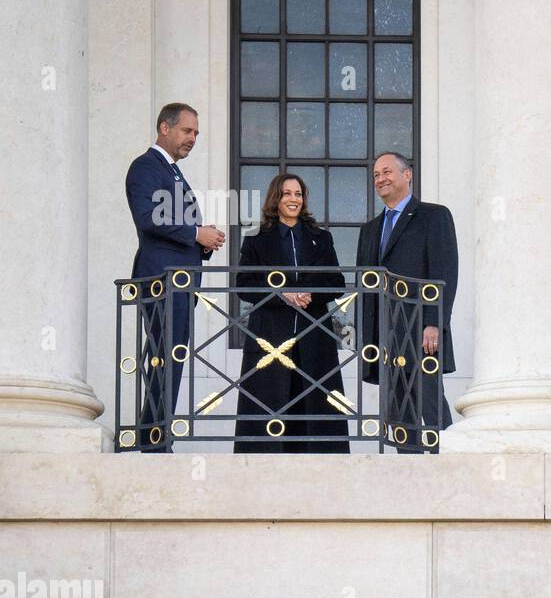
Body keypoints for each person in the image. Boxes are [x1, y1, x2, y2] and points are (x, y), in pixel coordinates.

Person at [124, 103, 226, 442]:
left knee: (171, 355)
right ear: (164, 128)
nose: (193, 138)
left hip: (179, 281)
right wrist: (197, 234)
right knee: (164, 356)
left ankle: (152, 432)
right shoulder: (146, 167)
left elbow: (173, 223)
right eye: (187, 130)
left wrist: (202, 243)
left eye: (196, 133)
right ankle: (153, 437)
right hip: (161, 280)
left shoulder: (172, 171)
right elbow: (149, 217)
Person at [233, 173, 349, 453]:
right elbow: (244, 286)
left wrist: (310, 293)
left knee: (315, 406)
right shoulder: (256, 239)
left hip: (314, 337)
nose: (293, 199)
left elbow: (336, 282)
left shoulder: (321, 238)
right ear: (276, 198)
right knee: (269, 405)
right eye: (287, 194)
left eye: (298, 194)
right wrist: (281, 295)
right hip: (269, 335)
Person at [359, 151, 458, 453]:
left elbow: (444, 272)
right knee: (398, 411)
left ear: (407, 175)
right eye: (376, 175)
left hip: (420, 330)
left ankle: (453, 462)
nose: (381, 179)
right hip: (386, 336)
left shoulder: (434, 215)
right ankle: (409, 472)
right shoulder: (369, 230)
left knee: (430, 403)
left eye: (387, 172)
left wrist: (434, 323)